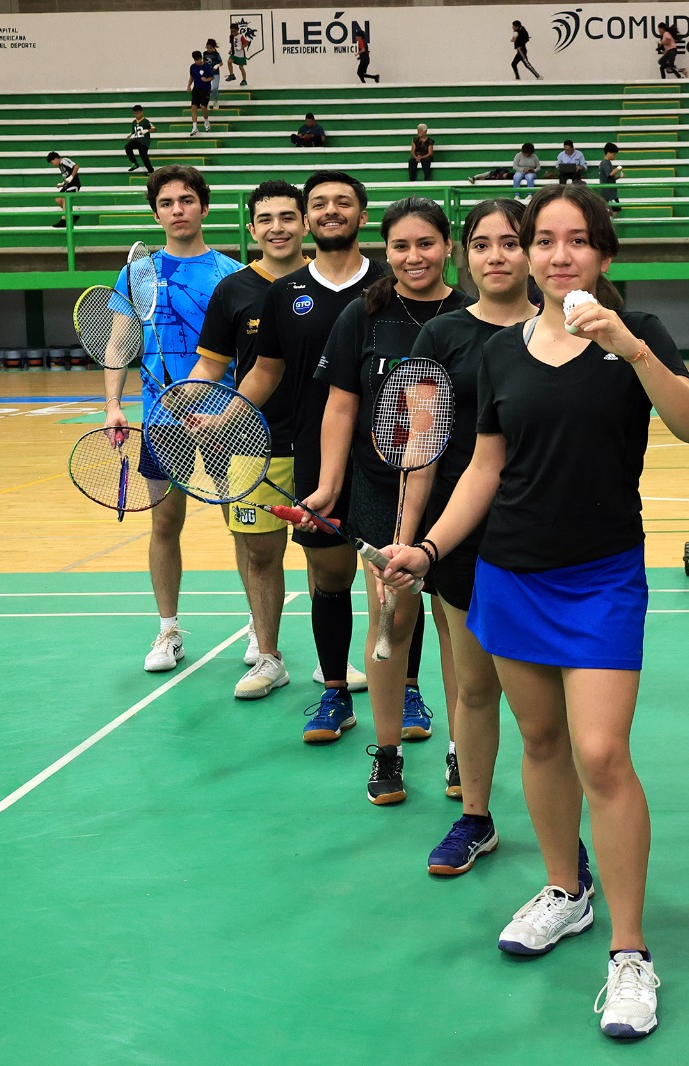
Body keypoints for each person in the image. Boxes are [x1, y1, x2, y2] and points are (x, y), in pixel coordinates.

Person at [378, 183, 689, 1039]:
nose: (559, 254)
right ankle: (568, 889)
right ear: (525, 253)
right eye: (544, 240)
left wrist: (631, 346)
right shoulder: (500, 353)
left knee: (602, 752)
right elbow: (485, 469)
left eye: (577, 240)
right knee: (542, 740)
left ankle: (630, 953)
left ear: (603, 253)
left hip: (601, 577)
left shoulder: (637, 339)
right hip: (510, 571)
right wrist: (431, 550)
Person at [307, 197, 469, 802]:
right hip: (380, 488)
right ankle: (388, 754)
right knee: (390, 618)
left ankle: (462, 750)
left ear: (447, 247)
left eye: (426, 243)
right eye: (400, 246)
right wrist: (328, 485)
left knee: (458, 627)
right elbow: (342, 405)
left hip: (457, 493)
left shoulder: (470, 314)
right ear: (386, 251)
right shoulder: (363, 315)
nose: (413, 256)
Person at [237, 171, 391, 740]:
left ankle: (408, 694)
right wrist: (222, 418)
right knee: (329, 577)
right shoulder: (283, 293)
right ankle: (333, 693)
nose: (330, 211)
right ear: (307, 219)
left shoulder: (391, 281)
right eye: (319, 204)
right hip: (312, 454)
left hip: (387, 458)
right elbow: (266, 371)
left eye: (342, 203)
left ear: (362, 214)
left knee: (390, 580)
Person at [407, 199, 533, 869]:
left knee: (545, 703)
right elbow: (421, 448)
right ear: (465, 255)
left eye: (510, 242)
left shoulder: (565, 328)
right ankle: (475, 816)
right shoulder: (442, 336)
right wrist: (410, 539)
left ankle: (562, 833)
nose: (496, 255)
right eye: (482, 244)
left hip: (542, 534)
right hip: (461, 534)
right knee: (475, 687)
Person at [100, 166, 241, 671]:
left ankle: (257, 625)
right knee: (165, 523)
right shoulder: (137, 273)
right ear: (155, 212)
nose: (177, 210)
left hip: (227, 418)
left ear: (204, 207)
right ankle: (167, 630)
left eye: (186, 200)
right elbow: (120, 339)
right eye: (167, 202)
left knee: (242, 524)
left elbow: (245, 352)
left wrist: (229, 406)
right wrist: (114, 403)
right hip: (162, 419)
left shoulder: (231, 273)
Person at [186, 180, 312, 699]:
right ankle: (268, 655)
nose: (277, 227)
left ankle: (335, 659)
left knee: (332, 558)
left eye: (287, 216)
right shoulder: (233, 289)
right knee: (261, 554)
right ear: (252, 227)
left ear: (304, 223)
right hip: (251, 442)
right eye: (266, 218)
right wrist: (190, 398)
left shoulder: (332, 281)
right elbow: (212, 364)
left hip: (326, 442)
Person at [47, 151, 80, 227]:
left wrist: (71, 178)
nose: (53, 164)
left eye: (52, 162)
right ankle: (71, 215)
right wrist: (62, 184)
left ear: (55, 159)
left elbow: (76, 166)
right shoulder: (60, 166)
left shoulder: (64, 161)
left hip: (74, 184)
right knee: (58, 199)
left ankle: (64, 220)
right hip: (67, 185)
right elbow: (66, 177)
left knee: (65, 199)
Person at [187, 50, 213, 136]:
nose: (197, 62)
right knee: (193, 107)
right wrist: (189, 85)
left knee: (203, 106)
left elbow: (212, 77)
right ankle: (194, 127)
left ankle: (206, 122)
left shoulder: (206, 66)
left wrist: (206, 79)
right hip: (196, 89)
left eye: (198, 60)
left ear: (201, 58)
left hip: (205, 89)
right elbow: (192, 77)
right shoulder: (192, 67)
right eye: (195, 60)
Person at [125, 105, 155, 174]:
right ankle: (134, 163)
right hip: (137, 140)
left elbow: (154, 129)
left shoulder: (145, 121)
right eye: (135, 113)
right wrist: (130, 134)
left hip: (144, 142)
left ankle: (151, 170)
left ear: (142, 112)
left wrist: (147, 130)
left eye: (138, 113)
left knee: (143, 156)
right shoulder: (134, 122)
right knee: (128, 147)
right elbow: (134, 130)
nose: (137, 115)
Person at [598, 142, 623, 214]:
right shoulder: (605, 162)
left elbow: (610, 177)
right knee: (615, 210)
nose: (615, 156)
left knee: (612, 210)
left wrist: (619, 176)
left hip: (609, 192)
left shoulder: (606, 163)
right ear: (608, 153)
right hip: (609, 193)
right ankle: (609, 223)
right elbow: (610, 173)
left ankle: (608, 222)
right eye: (614, 154)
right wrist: (619, 167)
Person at [228, 20, 251, 86]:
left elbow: (246, 43)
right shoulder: (231, 37)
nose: (233, 33)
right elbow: (232, 44)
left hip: (240, 54)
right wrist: (230, 50)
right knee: (229, 61)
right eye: (232, 31)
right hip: (234, 53)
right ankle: (231, 74)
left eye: (234, 31)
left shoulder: (240, 36)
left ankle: (244, 80)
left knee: (241, 67)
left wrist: (241, 47)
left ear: (238, 30)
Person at [203, 39, 223, 109]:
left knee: (214, 88)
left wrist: (217, 66)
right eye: (208, 48)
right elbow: (204, 62)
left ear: (214, 48)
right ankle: (206, 102)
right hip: (207, 73)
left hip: (215, 73)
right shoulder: (205, 54)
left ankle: (216, 101)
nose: (209, 49)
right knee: (206, 89)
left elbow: (221, 63)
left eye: (210, 48)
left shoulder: (216, 54)